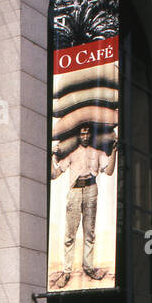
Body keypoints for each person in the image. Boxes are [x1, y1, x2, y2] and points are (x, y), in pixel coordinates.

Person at [51, 122, 117, 288]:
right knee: (70, 233)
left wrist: (114, 151)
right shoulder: (71, 153)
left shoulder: (98, 152)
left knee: (89, 231)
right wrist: (52, 156)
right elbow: (55, 174)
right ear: (78, 136)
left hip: (91, 189)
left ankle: (89, 267)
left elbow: (108, 171)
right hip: (75, 190)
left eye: (88, 133)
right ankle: (66, 271)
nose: (85, 136)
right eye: (82, 133)